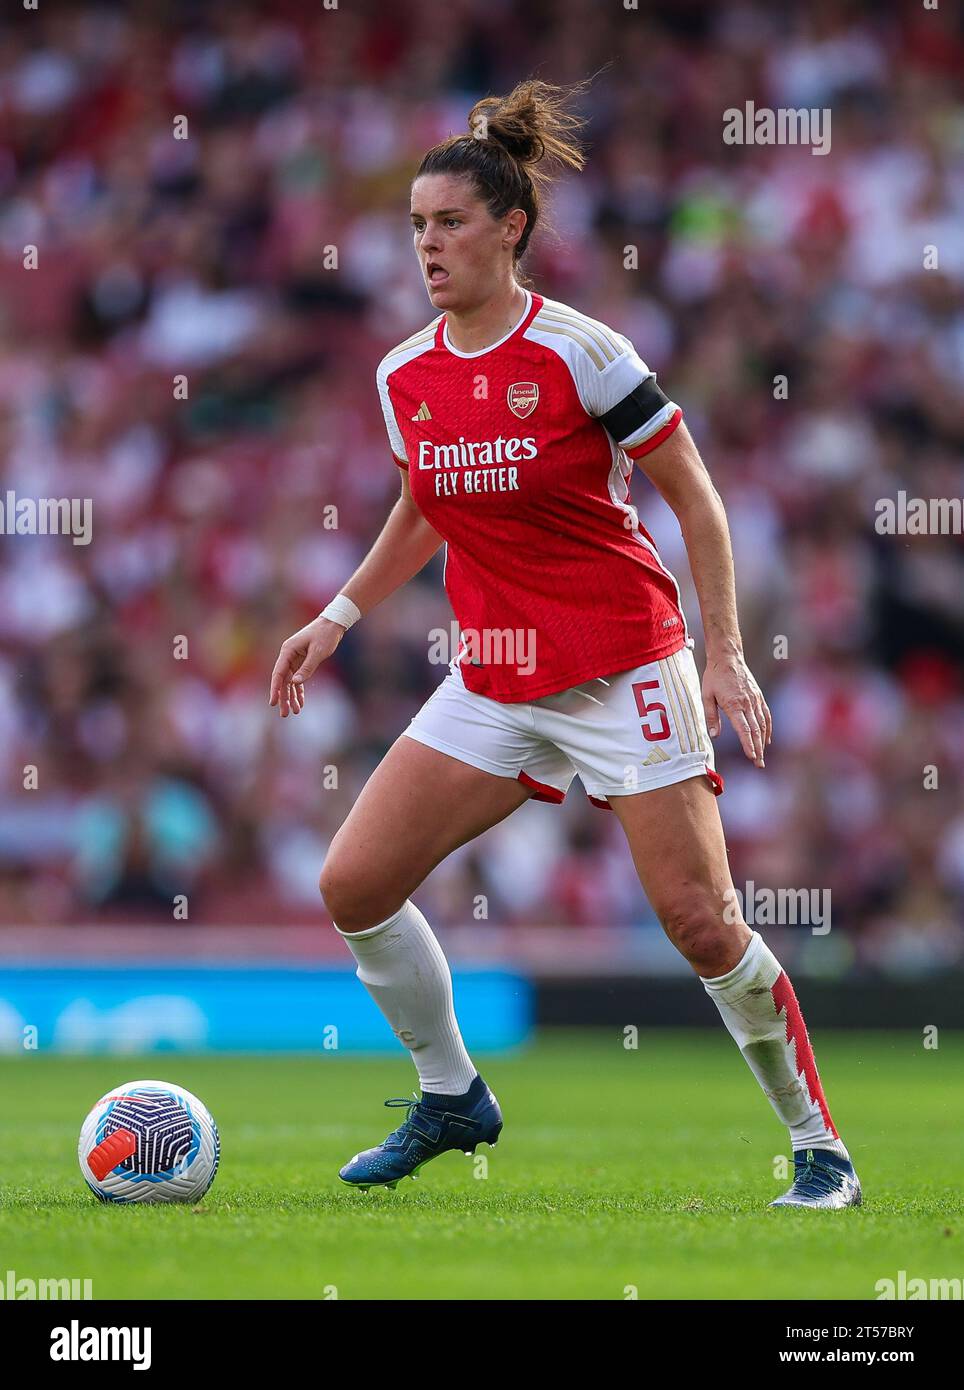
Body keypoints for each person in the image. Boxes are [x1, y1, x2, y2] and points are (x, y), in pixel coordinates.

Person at [269, 79, 860, 1209]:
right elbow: (427, 504)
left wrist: (722, 652)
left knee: (700, 922)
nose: (426, 245)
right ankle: (451, 1095)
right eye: (414, 225)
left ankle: (819, 1144)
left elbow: (695, 496)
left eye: (447, 222)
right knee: (354, 881)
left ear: (511, 230)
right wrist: (339, 613)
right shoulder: (406, 375)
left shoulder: (583, 352)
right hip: (494, 673)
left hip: (625, 662)